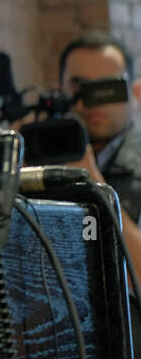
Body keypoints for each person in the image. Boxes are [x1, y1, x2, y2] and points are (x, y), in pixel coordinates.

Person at [58, 31, 141, 274]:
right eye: (79, 86)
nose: (93, 99)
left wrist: (91, 180)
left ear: (134, 94)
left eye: (108, 86)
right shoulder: (38, 157)